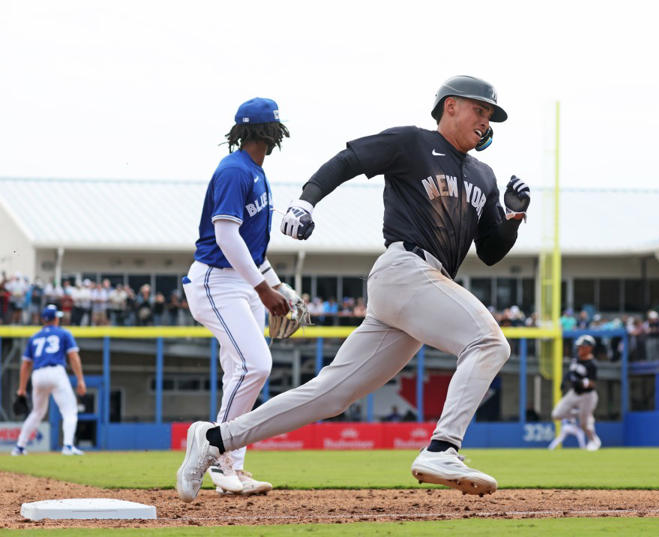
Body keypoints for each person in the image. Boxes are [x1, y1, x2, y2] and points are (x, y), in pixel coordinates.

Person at [176, 75, 529, 502]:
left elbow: (491, 251)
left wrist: (511, 216)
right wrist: (307, 200)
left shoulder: (483, 175)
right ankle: (442, 448)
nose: (486, 120)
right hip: (405, 268)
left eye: (490, 115)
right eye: (481, 109)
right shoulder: (411, 143)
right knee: (490, 343)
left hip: (420, 289)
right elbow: (350, 159)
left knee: (330, 394)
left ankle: (215, 439)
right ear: (450, 106)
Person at [180, 97, 292, 496]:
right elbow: (226, 236)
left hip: (241, 282)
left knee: (238, 372)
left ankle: (232, 469)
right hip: (216, 281)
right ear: (270, 131)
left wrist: (275, 285)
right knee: (256, 365)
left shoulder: (255, 172)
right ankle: (216, 455)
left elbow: (251, 248)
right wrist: (265, 291)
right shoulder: (234, 170)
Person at [11, 305, 86, 455]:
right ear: (56, 318)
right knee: (69, 410)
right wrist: (80, 379)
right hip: (56, 372)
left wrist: (22, 388)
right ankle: (68, 446)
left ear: (43, 320)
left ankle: (19, 447)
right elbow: (73, 357)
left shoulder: (34, 337)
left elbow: (26, 365)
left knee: (37, 413)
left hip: (38, 375)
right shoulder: (64, 333)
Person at [552, 335, 601, 451]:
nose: (580, 349)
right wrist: (565, 380)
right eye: (579, 347)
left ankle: (594, 441)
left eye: (582, 347)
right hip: (574, 393)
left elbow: (592, 383)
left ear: (589, 348)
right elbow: (570, 373)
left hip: (587, 396)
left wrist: (580, 382)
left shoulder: (592, 364)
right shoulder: (576, 359)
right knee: (556, 415)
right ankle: (580, 414)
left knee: (584, 424)